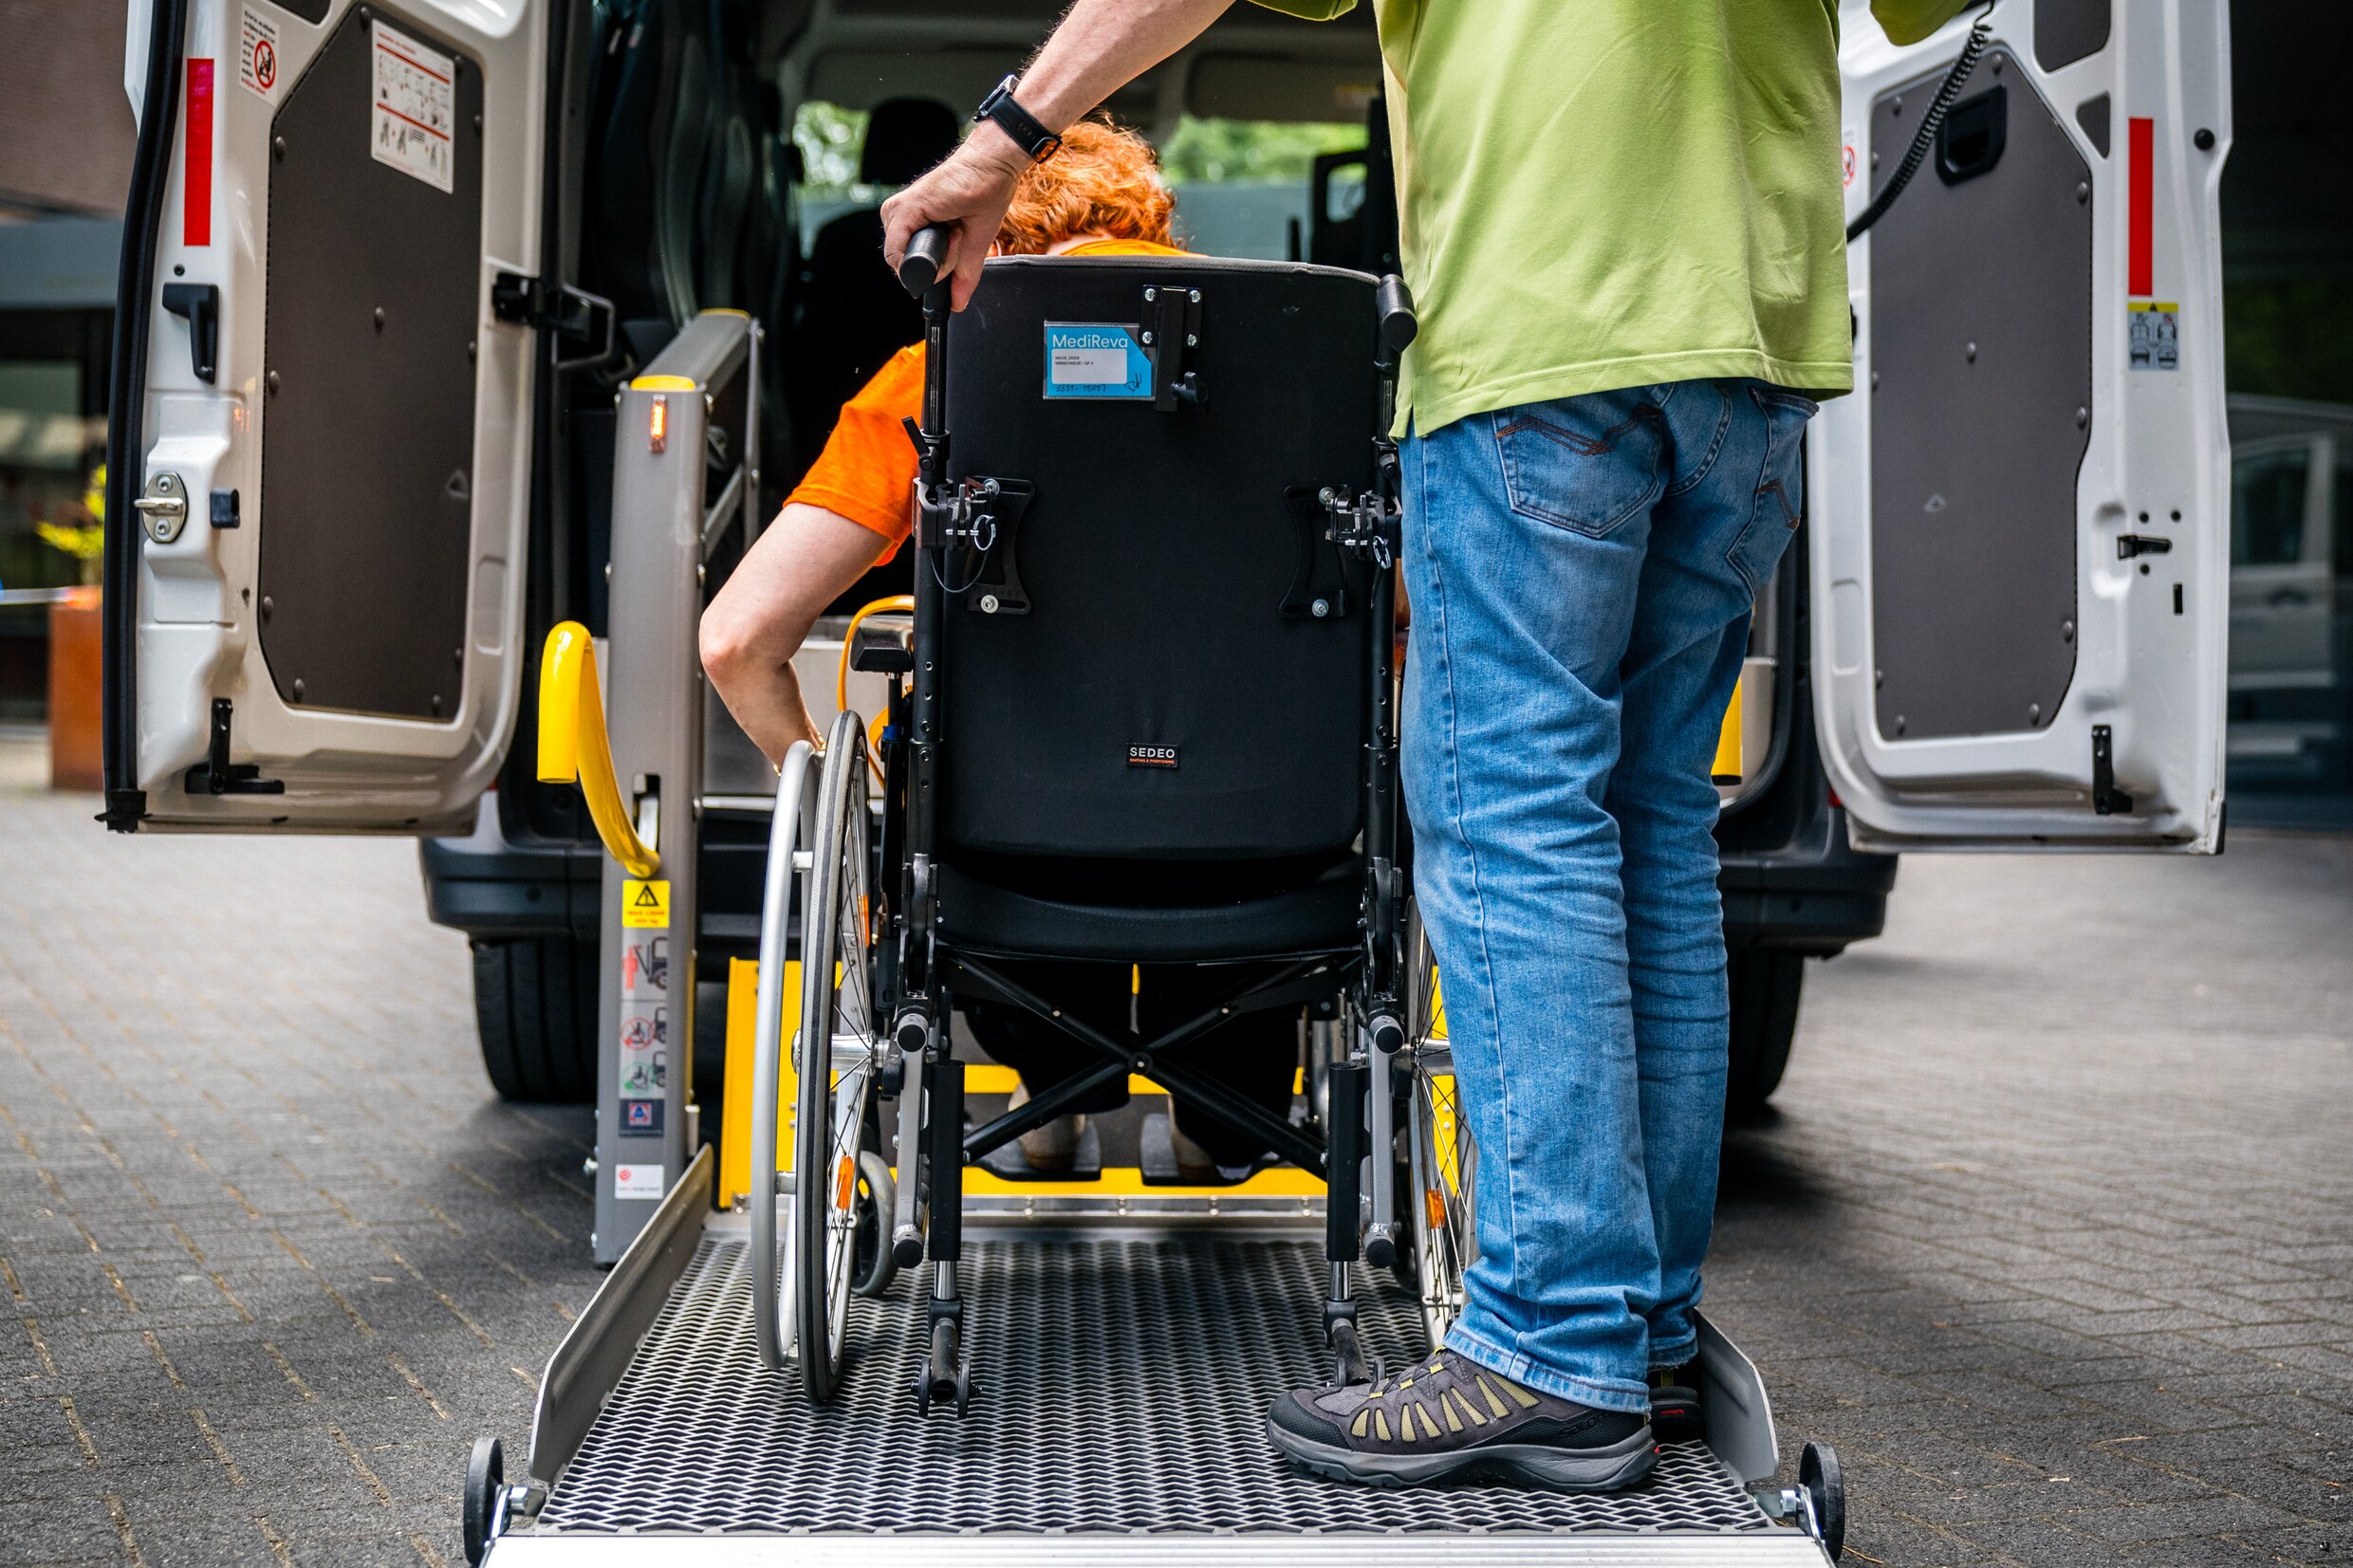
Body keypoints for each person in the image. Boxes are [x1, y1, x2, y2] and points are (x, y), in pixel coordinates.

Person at [881, 0, 1973, 1494]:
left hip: (1548, 331)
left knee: (1518, 811)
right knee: (1655, 830)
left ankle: (1551, 1348)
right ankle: (1642, 1336)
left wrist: (1007, 134)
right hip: (1754, 352)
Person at [700, 119, 1298, 1182]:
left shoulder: (936, 371)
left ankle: (1048, 1101)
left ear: (991, 232)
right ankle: (1222, 1123)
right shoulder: (1305, 370)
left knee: (981, 794)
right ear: (1153, 224)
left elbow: (738, 640)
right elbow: (1401, 611)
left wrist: (854, 820)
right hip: (1270, 829)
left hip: (1012, 836)